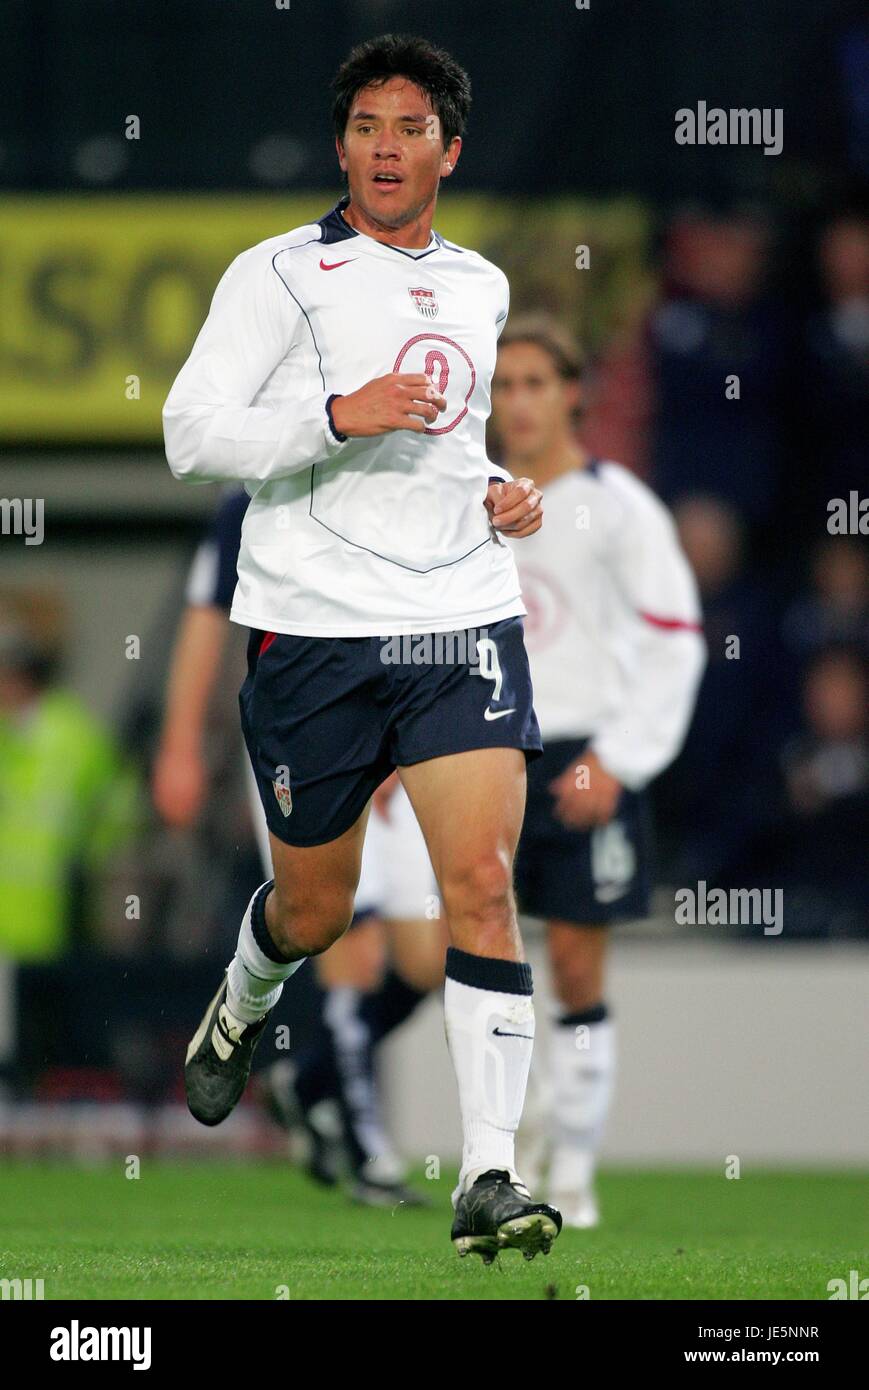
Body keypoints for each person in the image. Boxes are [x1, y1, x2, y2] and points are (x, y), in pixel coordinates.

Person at [163, 34, 559, 1262]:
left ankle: (488, 1177)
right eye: (367, 128)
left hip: (457, 618)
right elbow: (190, 434)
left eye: (411, 127)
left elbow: (451, 445)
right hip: (313, 631)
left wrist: (503, 491)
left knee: (481, 886)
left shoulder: (481, 287)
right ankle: (242, 1002)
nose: (388, 147)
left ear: (449, 148)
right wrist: (337, 414)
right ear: (341, 148)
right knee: (317, 907)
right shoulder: (275, 275)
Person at [153, 487, 444, 1205]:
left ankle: (309, 1081)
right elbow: (205, 617)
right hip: (306, 729)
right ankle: (368, 1154)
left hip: (399, 736)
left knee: (426, 958)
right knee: (342, 934)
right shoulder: (254, 492)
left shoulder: (406, 468)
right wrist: (180, 747)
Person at [490, 314, 706, 1227]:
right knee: (486, 958)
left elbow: (675, 644)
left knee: (576, 964)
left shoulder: (621, 508)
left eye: (536, 382)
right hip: (487, 748)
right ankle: (510, 1146)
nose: (518, 402)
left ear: (573, 392)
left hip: (584, 755)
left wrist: (615, 761)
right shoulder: (473, 500)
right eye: (501, 385)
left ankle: (571, 1163)